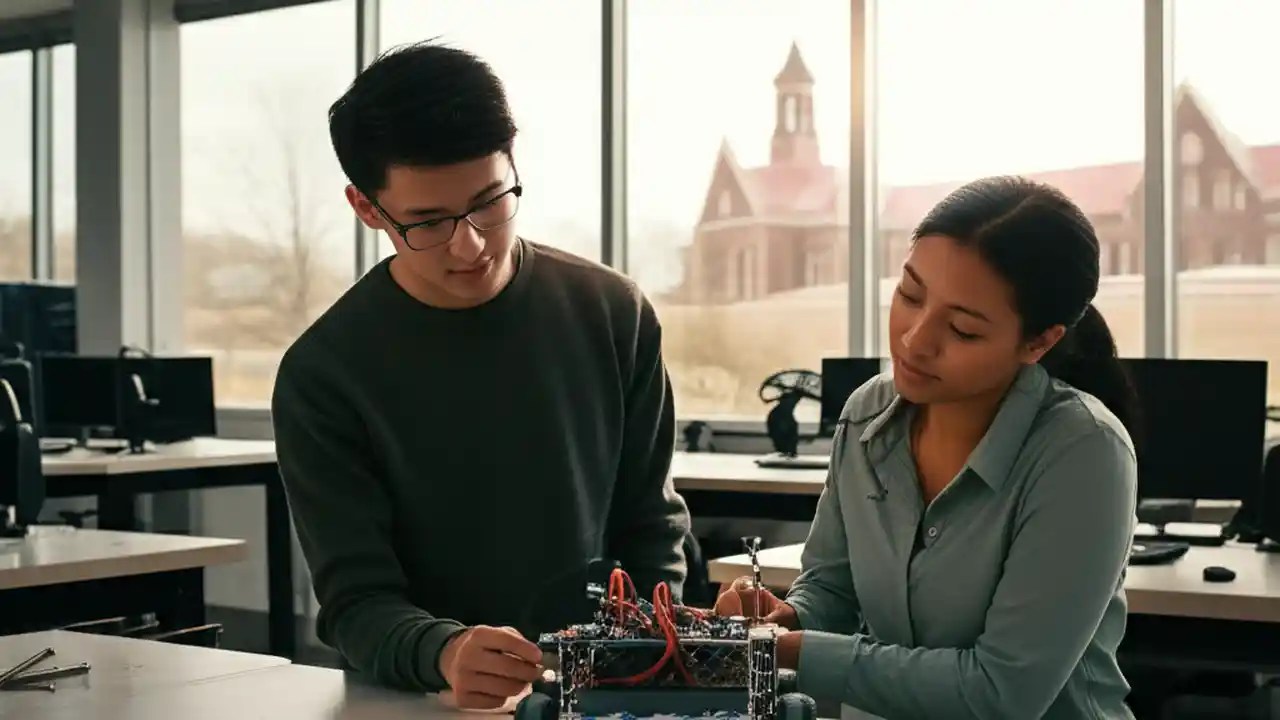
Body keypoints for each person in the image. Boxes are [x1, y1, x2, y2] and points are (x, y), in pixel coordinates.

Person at [271, 41, 690, 709]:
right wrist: (442, 652)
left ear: (513, 164)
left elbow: (652, 529)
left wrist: (639, 657)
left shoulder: (614, 313)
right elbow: (356, 604)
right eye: (427, 222)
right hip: (423, 702)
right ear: (366, 207)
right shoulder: (323, 375)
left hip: (605, 694)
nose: (469, 246)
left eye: (490, 202)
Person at [717, 176, 1140, 719]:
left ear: (1039, 341)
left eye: (962, 329)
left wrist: (792, 652)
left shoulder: (1085, 453)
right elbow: (832, 589)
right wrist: (785, 619)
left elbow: (1000, 694)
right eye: (910, 294)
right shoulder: (868, 415)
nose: (915, 339)